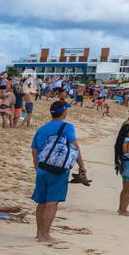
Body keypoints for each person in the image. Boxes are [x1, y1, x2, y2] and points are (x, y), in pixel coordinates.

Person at [30, 101, 85, 243]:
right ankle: (45, 235)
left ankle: (39, 233)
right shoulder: (67, 127)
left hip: (42, 168)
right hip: (59, 169)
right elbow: (75, 147)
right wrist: (82, 166)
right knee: (52, 202)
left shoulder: (41, 129)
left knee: (42, 202)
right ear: (64, 112)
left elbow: (35, 150)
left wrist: (37, 168)